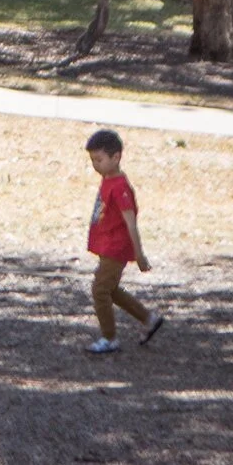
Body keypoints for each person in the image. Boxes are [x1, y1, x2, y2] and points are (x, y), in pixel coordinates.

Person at [84, 128, 164, 353]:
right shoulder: (109, 180)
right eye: (92, 160)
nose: (95, 165)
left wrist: (139, 254)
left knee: (100, 290)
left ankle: (109, 338)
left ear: (116, 157)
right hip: (107, 245)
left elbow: (131, 221)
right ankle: (149, 319)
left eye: (99, 159)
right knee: (110, 289)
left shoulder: (119, 187)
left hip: (115, 248)